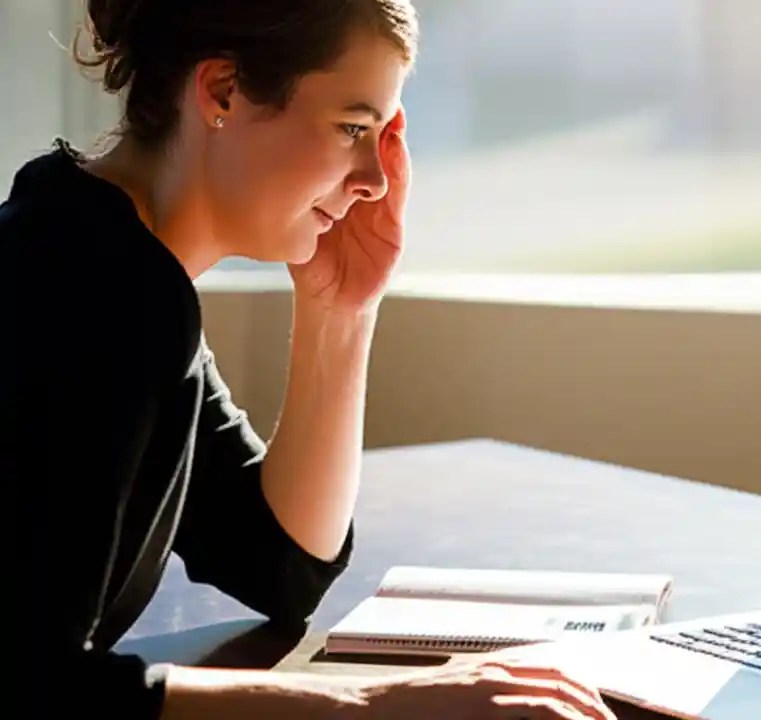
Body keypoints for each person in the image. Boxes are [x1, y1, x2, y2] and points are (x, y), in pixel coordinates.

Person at [0, 1, 615, 718]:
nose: (376, 181)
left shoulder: (103, 257)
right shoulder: (91, 294)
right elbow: (31, 687)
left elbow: (280, 564)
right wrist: (371, 706)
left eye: (381, 136)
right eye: (353, 129)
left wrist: (341, 311)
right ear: (223, 91)